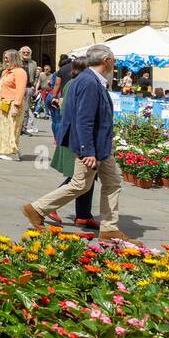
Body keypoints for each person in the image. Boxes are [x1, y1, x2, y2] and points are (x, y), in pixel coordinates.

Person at [23, 44, 124, 239]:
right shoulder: (89, 82)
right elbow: (84, 119)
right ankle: (36, 209)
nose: (114, 62)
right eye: (113, 58)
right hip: (90, 144)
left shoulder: (92, 79)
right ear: (106, 61)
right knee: (80, 184)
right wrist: (87, 151)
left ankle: (110, 228)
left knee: (112, 183)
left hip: (101, 144)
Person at [42, 55, 99, 230]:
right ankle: (48, 206)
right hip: (78, 137)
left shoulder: (75, 83)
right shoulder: (79, 84)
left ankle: (83, 214)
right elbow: (75, 111)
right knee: (80, 177)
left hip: (77, 136)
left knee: (86, 176)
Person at [0, 49, 28, 161]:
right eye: (4, 58)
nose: (5, 60)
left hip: (12, 104)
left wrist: (16, 106)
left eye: (7, 58)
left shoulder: (20, 72)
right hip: (3, 103)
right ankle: (11, 149)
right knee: (4, 128)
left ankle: (12, 152)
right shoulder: (6, 72)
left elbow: (21, 90)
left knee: (12, 128)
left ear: (14, 58)